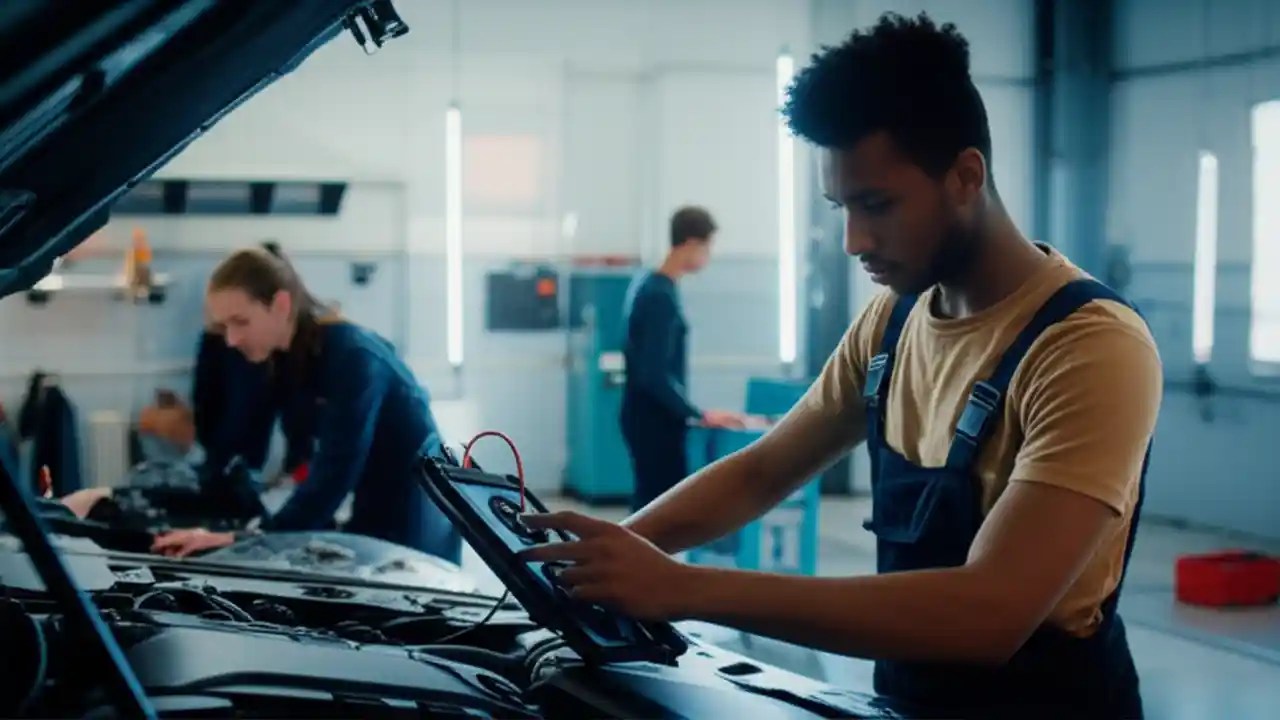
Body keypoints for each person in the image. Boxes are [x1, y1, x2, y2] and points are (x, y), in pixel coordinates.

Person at [521, 13, 1162, 719]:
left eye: (877, 205)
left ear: (965, 176)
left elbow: (990, 611)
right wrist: (608, 555)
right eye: (840, 207)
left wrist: (681, 586)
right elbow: (761, 470)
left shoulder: (1089, 348)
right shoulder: (893, 322)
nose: (855, 239)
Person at [149, 247, 461, 563]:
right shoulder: (286, 362)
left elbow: (334, 475)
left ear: (281, 305)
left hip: (416, 517)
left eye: (240, 322)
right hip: (371, 507)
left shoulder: (352, 356)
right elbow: (298, 459)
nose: (230, 340)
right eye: (224, 327)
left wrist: (244, 540)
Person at [621, 206, 746, 511]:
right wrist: (697, 413)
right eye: (707, 247)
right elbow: (654, 374)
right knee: (659, 509)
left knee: (651, 506)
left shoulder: (650, 285)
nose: (708, 256)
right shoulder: (658, 296)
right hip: (654, 420)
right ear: (691, 244)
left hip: (647, 415)